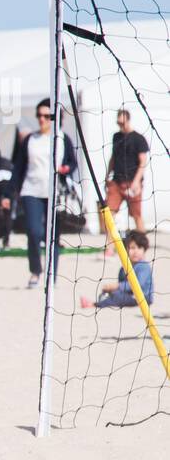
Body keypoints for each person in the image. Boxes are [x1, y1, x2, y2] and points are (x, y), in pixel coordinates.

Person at [6, 98, 76, 287]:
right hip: (31, 190)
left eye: (47, 116)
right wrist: (9, 194)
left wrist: (66, 168)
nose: (42, 119)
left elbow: (73, 163)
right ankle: (35, 271)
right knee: (34, 232)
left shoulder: (63, 139)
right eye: (39, 115)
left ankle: (51, 275)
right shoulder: (30, 139)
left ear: (55, 118)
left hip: (55, 193)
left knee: (52, 236)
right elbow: (18, 167)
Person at [105, 107, 149, 237]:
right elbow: (113, 157)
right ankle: (110, 247)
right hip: (116, 182)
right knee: (109, 215)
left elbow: (142, 162)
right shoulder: (116, 137)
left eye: (122, 123)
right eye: (118, 123)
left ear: (128, 120)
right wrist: (107, 175)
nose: (121, 126)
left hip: (132, 182)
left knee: (136, 215)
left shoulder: (138, 139)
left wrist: (136, 182)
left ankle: (142, 244)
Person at [81, 231, 153, 309]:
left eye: (139, 248)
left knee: (118, 297)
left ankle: (94, 305)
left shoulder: (143, 266)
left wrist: (117, 286)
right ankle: (102, 301)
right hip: (129, 295)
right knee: (111, 294)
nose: (136, 251)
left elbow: (138, 284)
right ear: (124, 250)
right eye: (132, 248)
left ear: (144, 250)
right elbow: (122, 283)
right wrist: (111, 289)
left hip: (143, 297)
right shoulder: (124, 268)